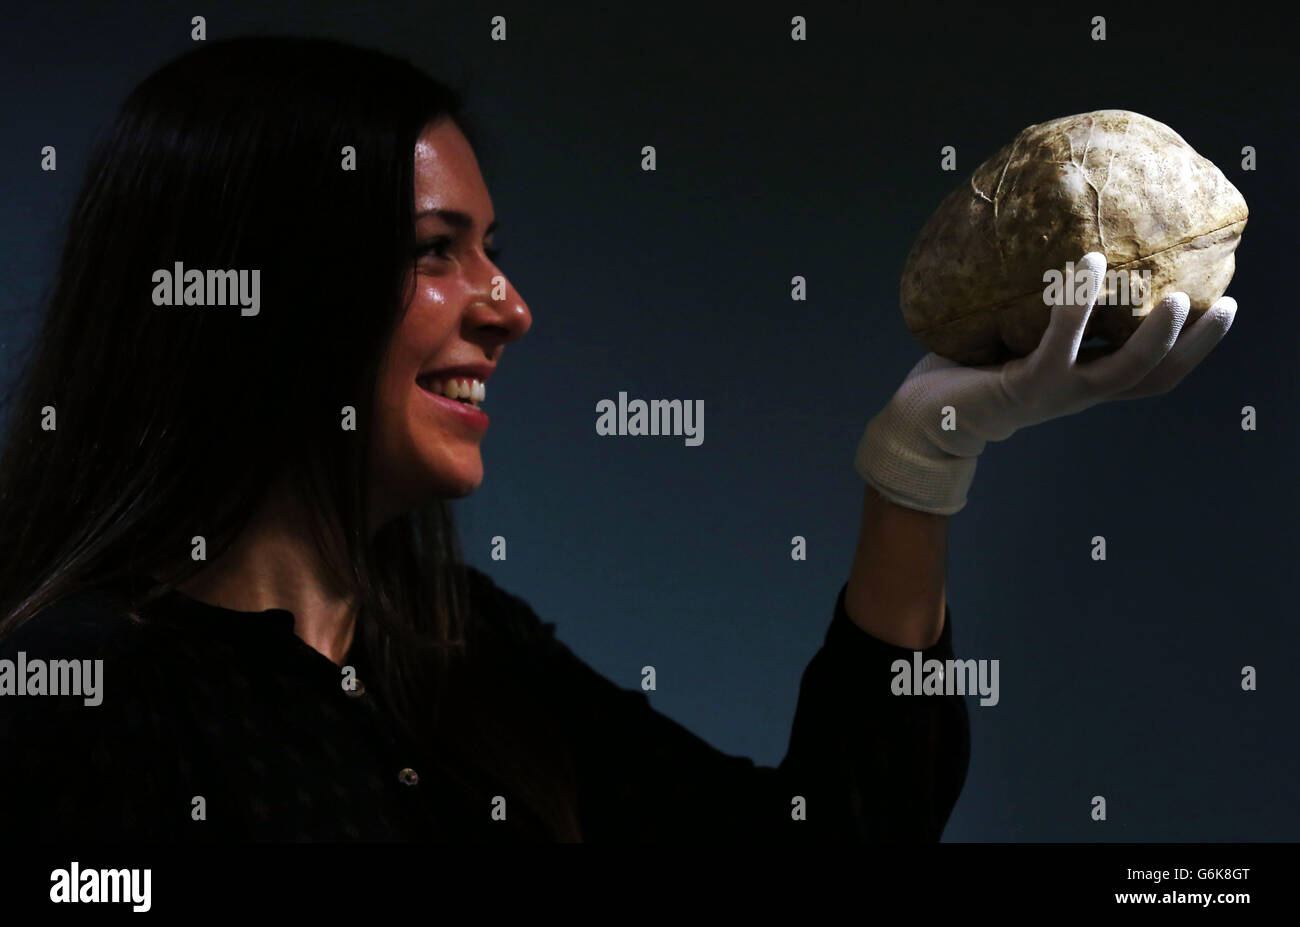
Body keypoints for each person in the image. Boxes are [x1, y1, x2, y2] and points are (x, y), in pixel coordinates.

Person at [0, 37, 1235, 843]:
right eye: (437, 250)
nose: (509, 305)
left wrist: (921, 463)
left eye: (492, 247)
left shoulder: (461, 650)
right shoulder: (70, 696)